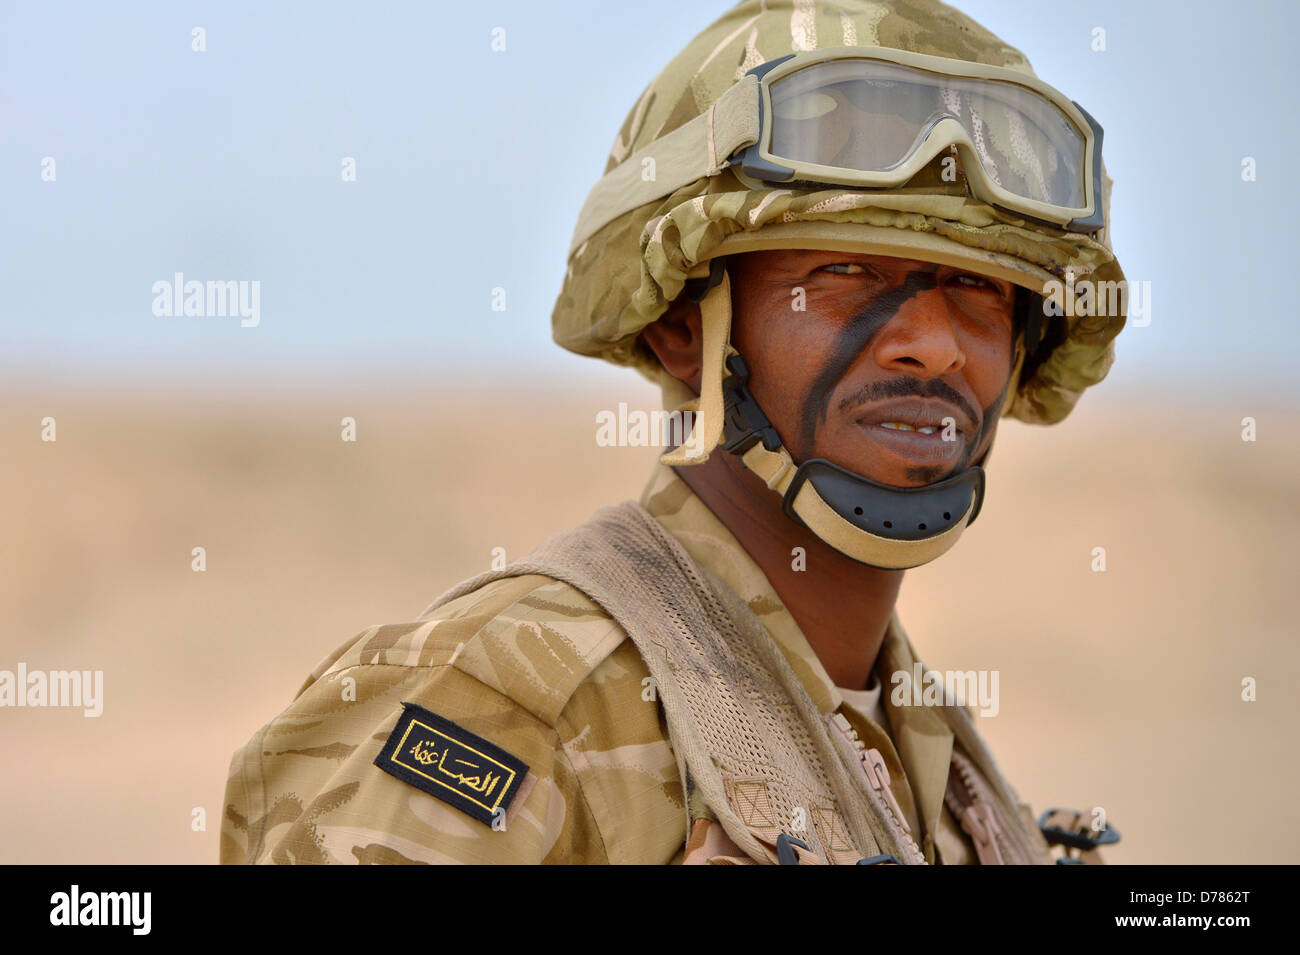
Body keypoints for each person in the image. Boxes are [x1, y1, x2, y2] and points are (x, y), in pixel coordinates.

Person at [220, 0, 1127, 865]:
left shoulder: (945, 770)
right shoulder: (511, 704)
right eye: (846, 270)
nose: (932, 344)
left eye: (978, 288)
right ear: (683, 329)